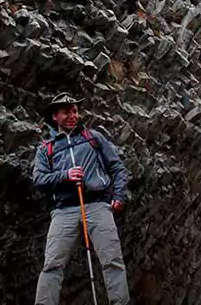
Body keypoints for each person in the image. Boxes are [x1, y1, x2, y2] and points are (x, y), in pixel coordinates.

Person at [32, 92, 130, 305]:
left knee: (112, 260)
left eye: (75, 111)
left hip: (97, 205)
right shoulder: (46, 149)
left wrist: (119, 195)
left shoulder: (93, 138)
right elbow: (39, 179)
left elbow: (117, 167)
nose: (72, 116)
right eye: (66, 112)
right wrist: (65, 175)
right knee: (52, 265)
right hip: (63, 210)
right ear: (55, 116)